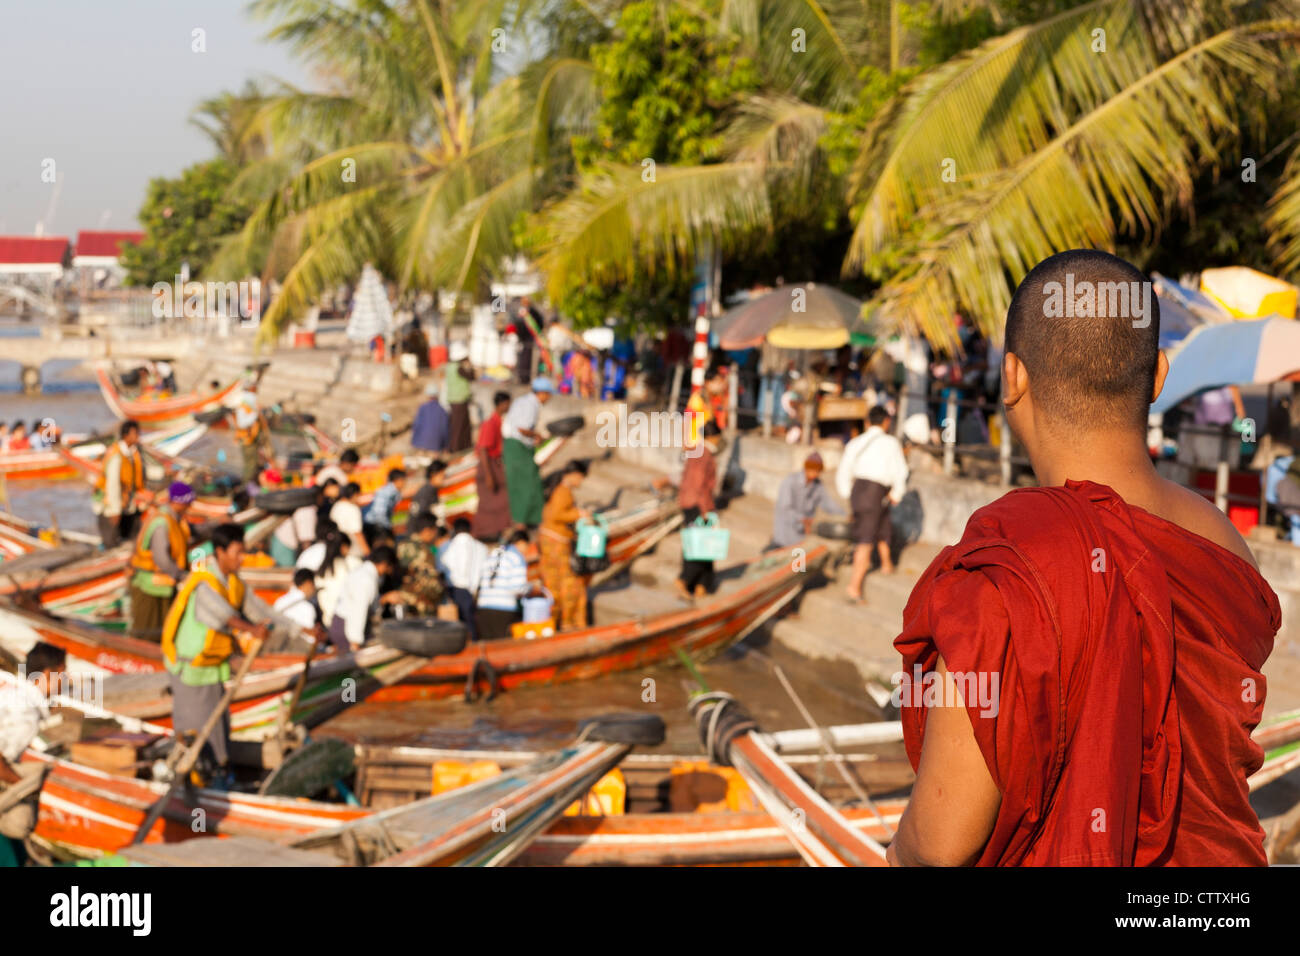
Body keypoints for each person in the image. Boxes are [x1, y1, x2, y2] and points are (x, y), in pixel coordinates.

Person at [888, 249, 1282, 868]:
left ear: (1012, 377)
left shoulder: (1011, 562)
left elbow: (941, 842)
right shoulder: (1223, 542)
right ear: (1158, 377)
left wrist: (895, 855)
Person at [160, 523, 315, 781]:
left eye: (244, 552)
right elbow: (221, 615)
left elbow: (262, 610)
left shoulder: (234, 584)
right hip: (190, 668)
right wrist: (251, 630)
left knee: (219, 727)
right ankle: (191, 781)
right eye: (237, 552)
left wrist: (303, 630)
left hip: (213, 667)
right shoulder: (204, 582)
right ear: (220, 552)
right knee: (194, 730)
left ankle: (220, 773)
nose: (242, 558)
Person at [836, 405, 908, 602]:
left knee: (882, 523)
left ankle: (886, 564)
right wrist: (897, 493)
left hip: (857, 490)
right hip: (875, 492)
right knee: (865, 543)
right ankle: (854, 587)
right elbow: (900, 471)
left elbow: (843, 471)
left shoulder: (856, 442)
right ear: (886, 422)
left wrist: (847, 493)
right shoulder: (891, 443)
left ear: (867, 422)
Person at [0, 642, 66, 851]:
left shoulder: (11, 688)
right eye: (62, 676)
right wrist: (23, 788)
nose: (66, 682)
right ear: (47, 675)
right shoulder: (26, 714)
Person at [127, 481, 195, 641]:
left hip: (163, 585)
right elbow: (161, 559)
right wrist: (182, 575)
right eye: (188, 502)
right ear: (178, 502)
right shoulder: (162, 523)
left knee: (164, 629)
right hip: (150, 585)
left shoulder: (175, 519)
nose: (190, 506)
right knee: (146, 632)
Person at [539, 461, 592, 630]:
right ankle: (569, 622)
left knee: (552, 582)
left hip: (547, 540)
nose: (581, 482)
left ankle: (553, 621)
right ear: (575, 474)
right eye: (581, 478)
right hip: (557, 542)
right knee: (571, 583)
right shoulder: (563, 491)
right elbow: (557, 514)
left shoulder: (558, 489)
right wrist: (580, 514)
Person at [675, 422, 721, 602]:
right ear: (714, 437)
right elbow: (700, 485)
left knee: (703, 546)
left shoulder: (696, 451)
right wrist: (704, 510)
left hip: (689, 502)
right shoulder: (705, 454)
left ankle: (702, 585)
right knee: (698, 547)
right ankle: (684, 580)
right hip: (698, 505)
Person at [503, 377, 554, 528]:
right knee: (529, 485)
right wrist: (537, 436)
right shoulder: (531, 405)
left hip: (516, 447)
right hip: (517, 448)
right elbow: (522, 428)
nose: (549, 398)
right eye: (548, 394)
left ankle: (522, 520)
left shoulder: (524, 401)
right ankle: (524, 521)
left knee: (520, 485)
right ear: (542, 393)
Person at [327, 546, 400, 650]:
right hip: (347, 627)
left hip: (344, 624)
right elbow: (358, 610)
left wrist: (385, 598)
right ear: (384, 564)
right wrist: (355, 642)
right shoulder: (366, 579)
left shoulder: (365, 572)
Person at [770, 452, 845, 549]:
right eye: (813, 469)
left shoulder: (818, 486)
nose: (815, 473)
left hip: (802, 536)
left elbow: (829, 504)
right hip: (786, 532)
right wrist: (803, 520)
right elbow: (785, 509)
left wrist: (844, 515)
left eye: (818, 471)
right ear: (806, 468)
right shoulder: (790, 482)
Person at [93, 420, 145, 548]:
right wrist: (115, 511)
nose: (138, 436)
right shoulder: (116, 456)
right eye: (135, 433)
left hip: (127, 503)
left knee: (130, 538)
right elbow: (113, 485)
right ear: (125, 435)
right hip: (110, 506)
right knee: (111, 542)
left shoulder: (134, 453)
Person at [438, 518, 488, 640]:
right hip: (475, 591)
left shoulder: (445, 547)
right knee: (471, 622)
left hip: (453, 590)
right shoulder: (481, 547)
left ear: (454, 530)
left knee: (457, 624)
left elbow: (440, 570)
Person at [476, 529, 531, 640]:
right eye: (527, 546)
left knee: (488, 647)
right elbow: (517, 588)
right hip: (504, 608)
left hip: (483, 607)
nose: (527, 550)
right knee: (503, 645)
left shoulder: (494, 554)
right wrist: (531, 588)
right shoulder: (516, 558)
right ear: (521, 542)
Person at [472, 391, 512, 540]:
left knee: (501, 500)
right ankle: (484, 532)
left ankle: (497, 531)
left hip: (494, 464)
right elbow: (483, 449)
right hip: (488, 465)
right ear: (501, 404)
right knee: (491, 502)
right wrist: (489, 475)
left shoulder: (499, 421)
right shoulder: (490, 423)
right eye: (507, 403)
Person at [393, 514, 446, 615]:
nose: (436, 534)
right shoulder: (424, 550)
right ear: (427, 530)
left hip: (403, 602)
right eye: (435, 530)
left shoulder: (402, 545)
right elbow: (430, 580)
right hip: (420, 605)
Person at [271, 482, 332, 567]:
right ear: (318, 496)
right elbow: (306, 542)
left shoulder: (305, 506)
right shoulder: (309, 511)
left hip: (279, 541)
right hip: (286, 546)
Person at [310, 528, 357, 626]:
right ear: (344, 547)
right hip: (347, 621)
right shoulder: (351, 563)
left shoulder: (321, 570)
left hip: (328, 621)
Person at [445, 342, 474, 452]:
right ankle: (456, 448)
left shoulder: (450, 366)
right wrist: (470, 366)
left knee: (463, 425)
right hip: (459, 400)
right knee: (459, 426)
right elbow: (471, 376)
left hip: (455, 399)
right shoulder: (459, 368)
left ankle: (464, 446)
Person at [272, 568, 320, 635]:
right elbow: (309, 638)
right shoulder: (307, 608)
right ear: (308, 583)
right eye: (313, 584)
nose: (314, 588)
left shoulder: (279, 602)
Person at [330, 481, 368, 557]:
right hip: (352, 551)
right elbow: (357, 533)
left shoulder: (336, 506)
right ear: (355, 494)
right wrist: (367, 553)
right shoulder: (353, 509)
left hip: (337, 549)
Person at [363, 467, 406, 531]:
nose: (405, 483)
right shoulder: (386, 492)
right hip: (372, 525)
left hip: (378, 524)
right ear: (398, 480)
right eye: (404, 480)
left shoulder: (395, 492)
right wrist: (389, 527)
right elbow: (379, 513)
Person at [411, 383, 450, 453]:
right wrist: (445, 446)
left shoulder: (422, 408)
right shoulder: (442, 411)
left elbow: (416, 426)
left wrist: (414, 442)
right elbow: (445, 430)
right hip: (436, 446)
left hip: (421, 444)